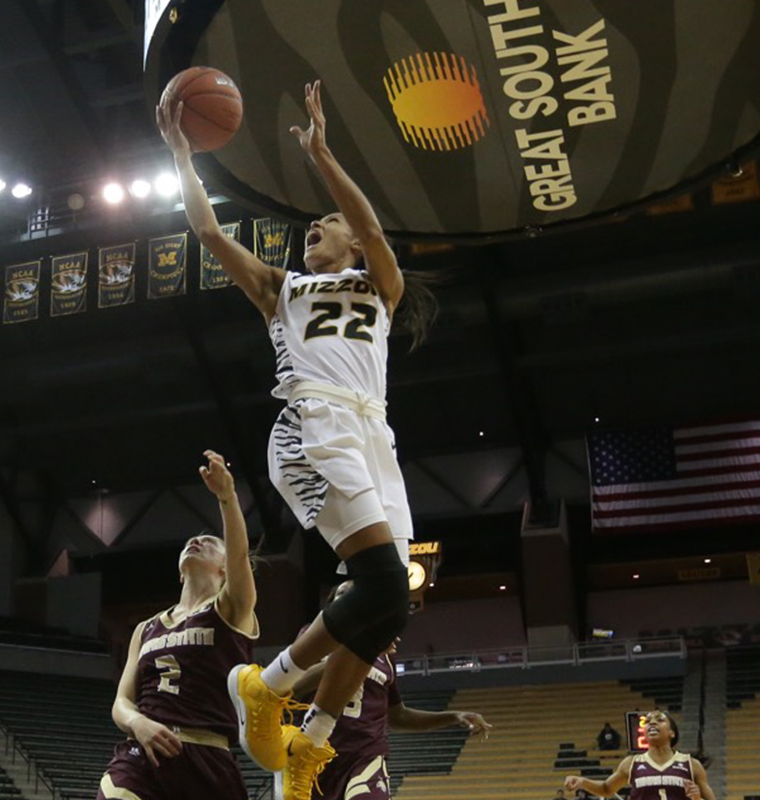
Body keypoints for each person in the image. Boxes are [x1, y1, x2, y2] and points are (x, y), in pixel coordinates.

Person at [159, 80, 441, 800]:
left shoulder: (380, 286)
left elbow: (374, 232)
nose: (315, 229)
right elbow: (209, 234)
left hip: (372, 432)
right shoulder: (280, 288)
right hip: (313, 426)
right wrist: (182, 156)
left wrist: (322, 154)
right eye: (312, 225)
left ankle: (310, 745)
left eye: (326, 223)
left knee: (391, 606)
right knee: (379, 583)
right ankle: (266, 684)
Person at [99, 451, 260, 800]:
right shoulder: (146, 628)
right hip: (143, 752)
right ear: (178, 570)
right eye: (192, 541)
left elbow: (239, 554)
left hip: (208, 756)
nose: (197, 541)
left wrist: (227, 497)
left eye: (211, 543)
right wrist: (137, 723)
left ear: (224, 570)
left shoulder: (231, 609)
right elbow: (122, 702)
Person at [288, 582, 492, 800]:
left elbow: (398, 716)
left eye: (359, 595)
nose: (353, 600)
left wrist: (452, 716)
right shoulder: (312, 635)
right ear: (332, 606)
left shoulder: (385, 655)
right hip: (313, 758)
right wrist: (357, 649)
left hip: (364, 757)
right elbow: (293, 689)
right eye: (344, 595)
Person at [564, 710, 714, 800]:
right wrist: (582, 781)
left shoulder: (691, 764)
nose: (652, 723)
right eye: (648, 721)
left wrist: (697, 799)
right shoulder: (631, 763)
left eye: (659, 720)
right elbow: (606, 789)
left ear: (672, 732)